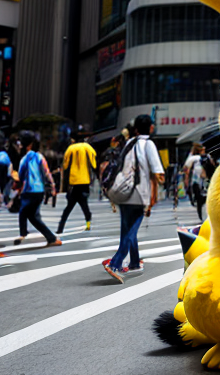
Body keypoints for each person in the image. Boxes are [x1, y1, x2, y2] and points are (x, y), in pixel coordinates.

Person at [103, 113, 164, 282]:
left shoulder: (129, 143)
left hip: (123, 191)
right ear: (151, 127)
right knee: (131, 230)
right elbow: (157, 173)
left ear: (136, 129)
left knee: (127, 229)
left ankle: (135, 263)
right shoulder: (149, 144)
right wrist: (154, 195)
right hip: (138, 192)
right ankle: (115, 263)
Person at [15, 132, 61, 247]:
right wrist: (52, 187)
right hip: (39, 190)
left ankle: (25, 233)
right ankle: (50, 238)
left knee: (27, 213)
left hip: (28, 191)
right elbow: (47, 173)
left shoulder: (24, 160)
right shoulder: (39, 156)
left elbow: (20, 177)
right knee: (32, 215)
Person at [57, 133, 97, 234]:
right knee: (84, 204)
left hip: (74, 181)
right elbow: (94, 164)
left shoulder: (70, 148)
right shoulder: (88, 147)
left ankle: (60, 227)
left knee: (69, 206)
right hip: (85, 180)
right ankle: (88, 224)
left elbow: (65, 165)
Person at [183, 144, 208, 221]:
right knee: (205, 200)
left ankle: (201, 217)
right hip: (206, 182)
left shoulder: (192, 159)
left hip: (195, 182)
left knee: (199, 202)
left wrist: (186, 182)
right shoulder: (206, 157)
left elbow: (186, 170)